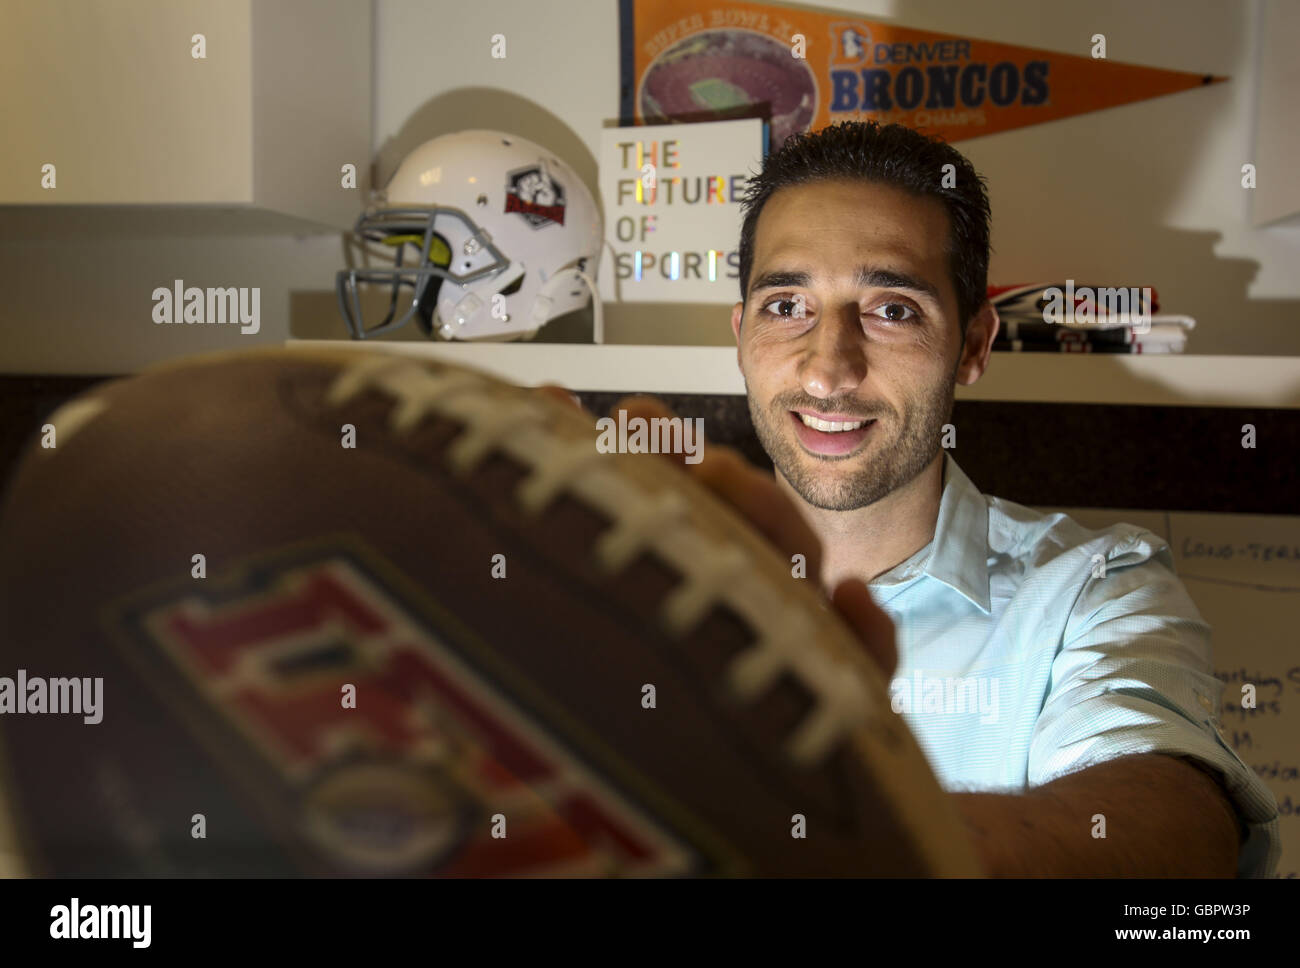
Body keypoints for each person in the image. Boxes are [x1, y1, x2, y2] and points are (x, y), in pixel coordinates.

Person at [602, 120, 1280, 877]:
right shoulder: (629, 573)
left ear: (973, 347)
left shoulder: (1094, 590)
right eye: (786, 305)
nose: (828, 370)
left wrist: (850, 834)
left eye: (892, 309)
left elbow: (1179, 825)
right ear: (741, 336)